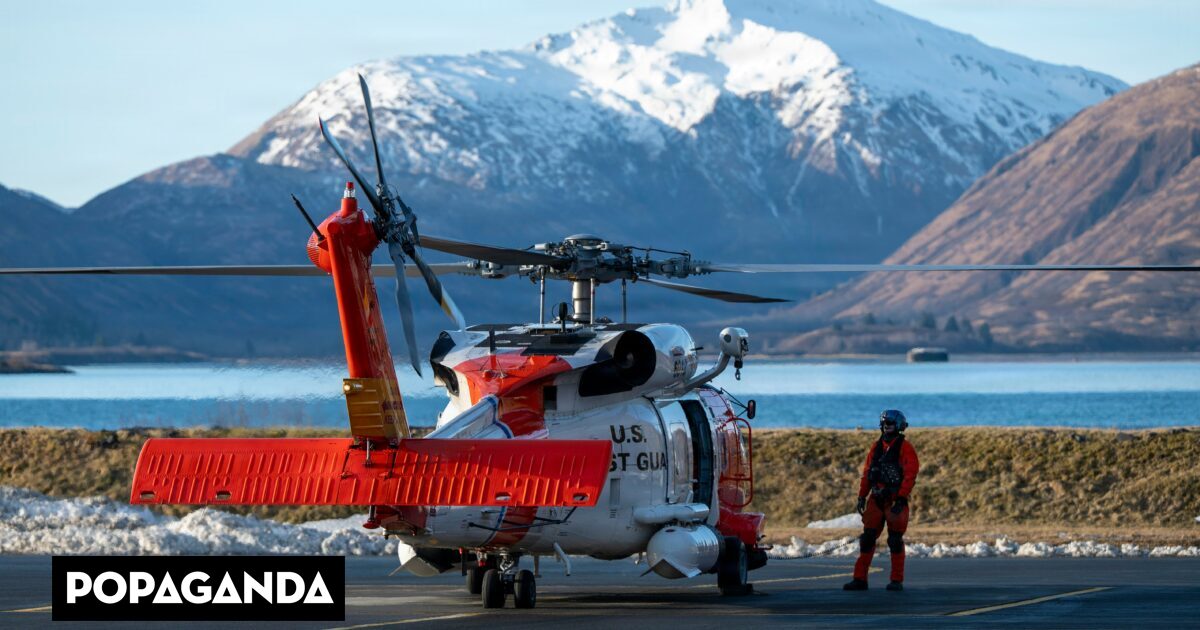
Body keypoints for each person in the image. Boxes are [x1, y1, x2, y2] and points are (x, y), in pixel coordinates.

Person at [843, 409, 919, 591]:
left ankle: (896, 580)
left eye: (891, 423)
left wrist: (901, 497)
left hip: (894, 500)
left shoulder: (905, 448)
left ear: (899, 426)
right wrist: (862, 495)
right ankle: (860, 579)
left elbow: (910, 474)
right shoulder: (875, 448)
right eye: (885, 423)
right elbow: (868, 473)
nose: (887, 426)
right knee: (867, 538)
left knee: (894, 540)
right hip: (876, 498)